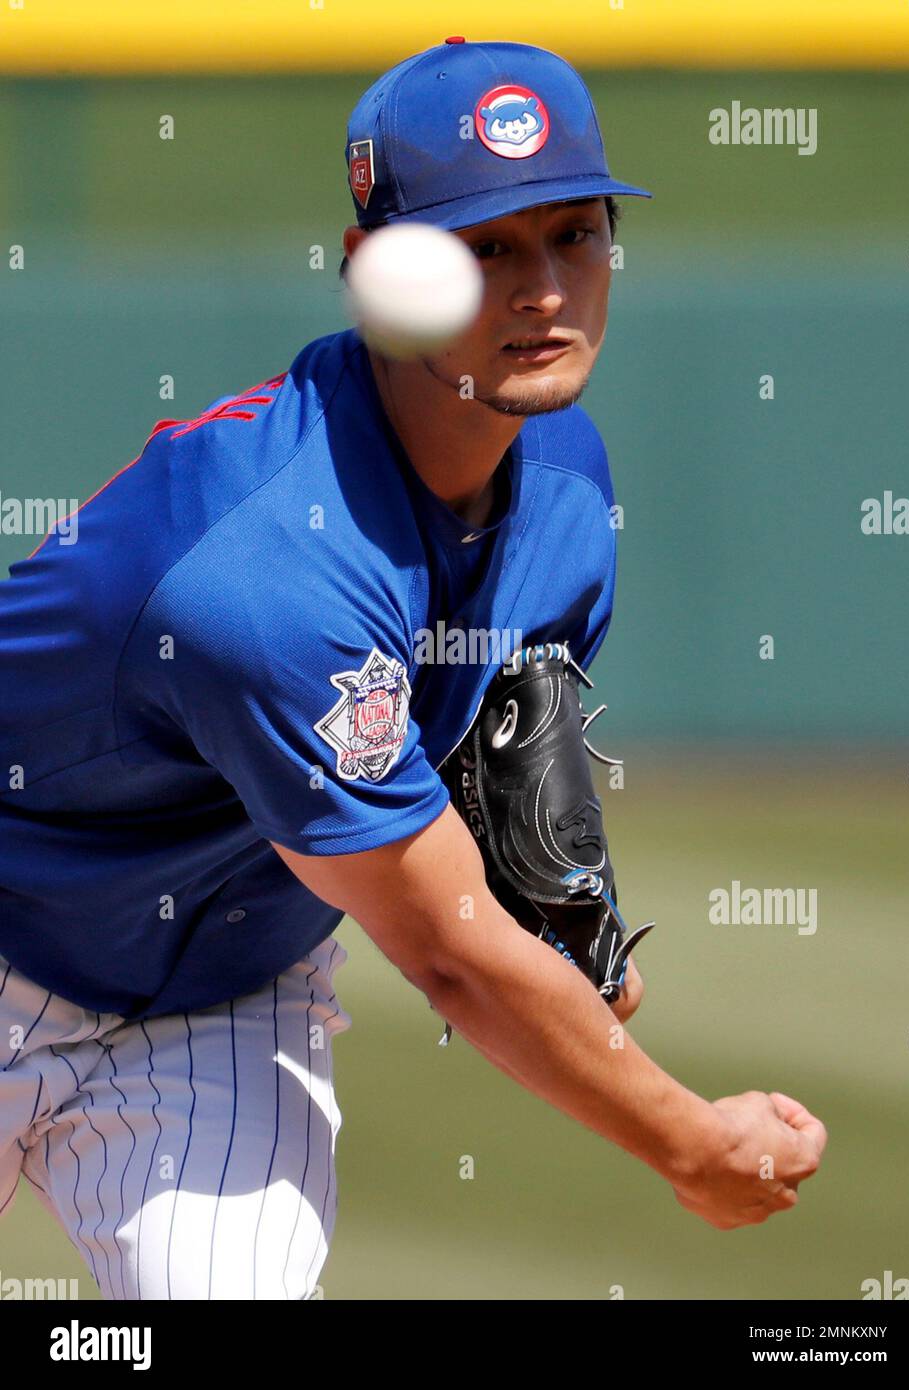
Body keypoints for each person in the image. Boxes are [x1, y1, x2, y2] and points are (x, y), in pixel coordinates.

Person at [0, 37, 826, 1301]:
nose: (544, 288)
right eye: (484, 248)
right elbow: (444, 950)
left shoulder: (561, 483)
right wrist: (689, 1141)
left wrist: (560, 926)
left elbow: (487, 770)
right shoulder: (263, 566)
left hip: (216, 997)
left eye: (575, 234)